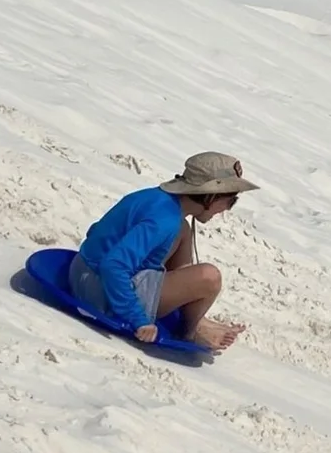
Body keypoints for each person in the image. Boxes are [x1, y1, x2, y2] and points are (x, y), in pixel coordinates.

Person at [71, 151, 258, 352]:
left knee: (183, 229)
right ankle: (190, 332)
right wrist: (139, 320)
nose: (227, 209)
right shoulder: (164, 221)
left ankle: (196, 318)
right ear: (211, 195)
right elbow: (113, 266)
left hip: (82, 271)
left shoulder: (158, 199)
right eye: (231, 201)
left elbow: (97, 232)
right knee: (209, 277)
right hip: (102, 294)